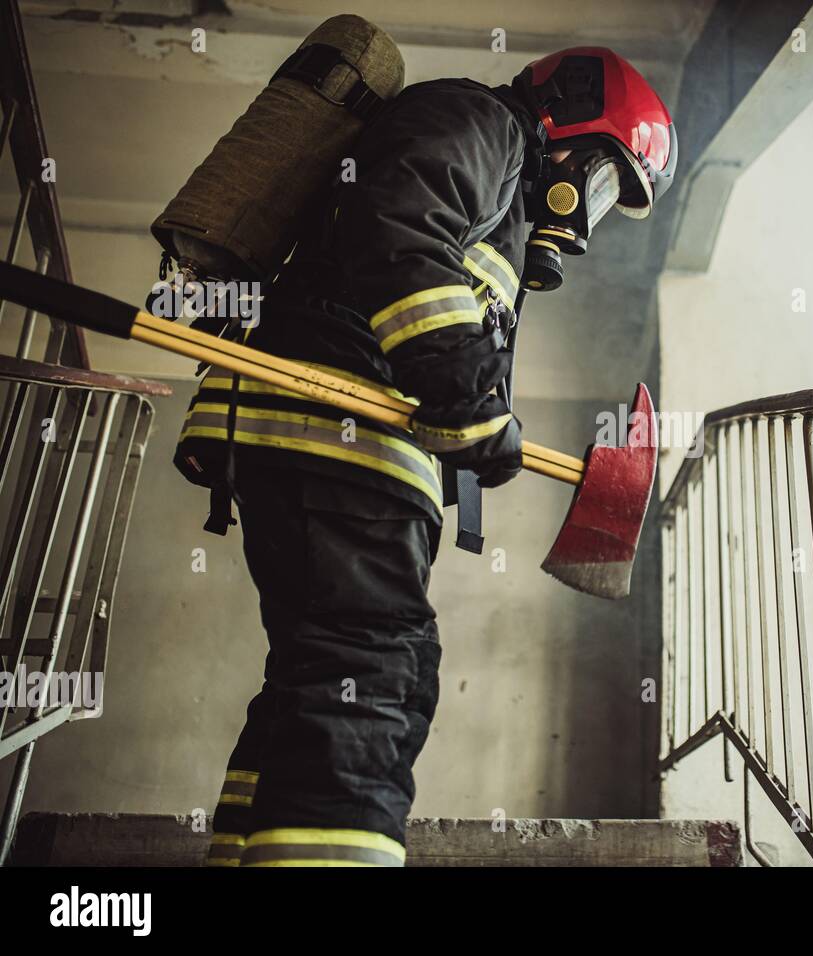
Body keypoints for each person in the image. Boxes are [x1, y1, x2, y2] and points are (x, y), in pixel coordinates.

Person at [173, 47, 676, 867]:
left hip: (345, 441)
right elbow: (399, 230)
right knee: (376, 671)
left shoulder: (499, 182)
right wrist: (470, 399)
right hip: (332, 427)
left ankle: (246, 852)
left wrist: (473, 419)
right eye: (609, 183)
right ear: (574, 124)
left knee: (322, 672)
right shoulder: (476, 122)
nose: (594, 213)